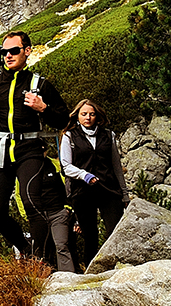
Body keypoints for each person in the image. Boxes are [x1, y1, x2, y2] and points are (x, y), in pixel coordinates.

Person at [0, 31, 69, 265]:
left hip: (30, 151)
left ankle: (41, 262)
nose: (8, 56)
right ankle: (25, 248)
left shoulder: (40, 85)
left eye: (14, 51)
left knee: (31, 203)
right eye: (4, 52)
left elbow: (63, 119)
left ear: (27, 51)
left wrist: (43, 107)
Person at [62, 99, 127, 266]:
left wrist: (124, 193)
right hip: (82, 192)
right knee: (90, 235)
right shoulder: (69, 136)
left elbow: (116, 166)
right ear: (77, 116)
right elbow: (66, 166)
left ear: (98, 116)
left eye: (92, 114)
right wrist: (84, 175)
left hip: (109, 189)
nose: (88, 117)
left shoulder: (108, 135)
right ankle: (91, 269)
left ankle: (115, 266)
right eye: (84, 114)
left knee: (114, 231)